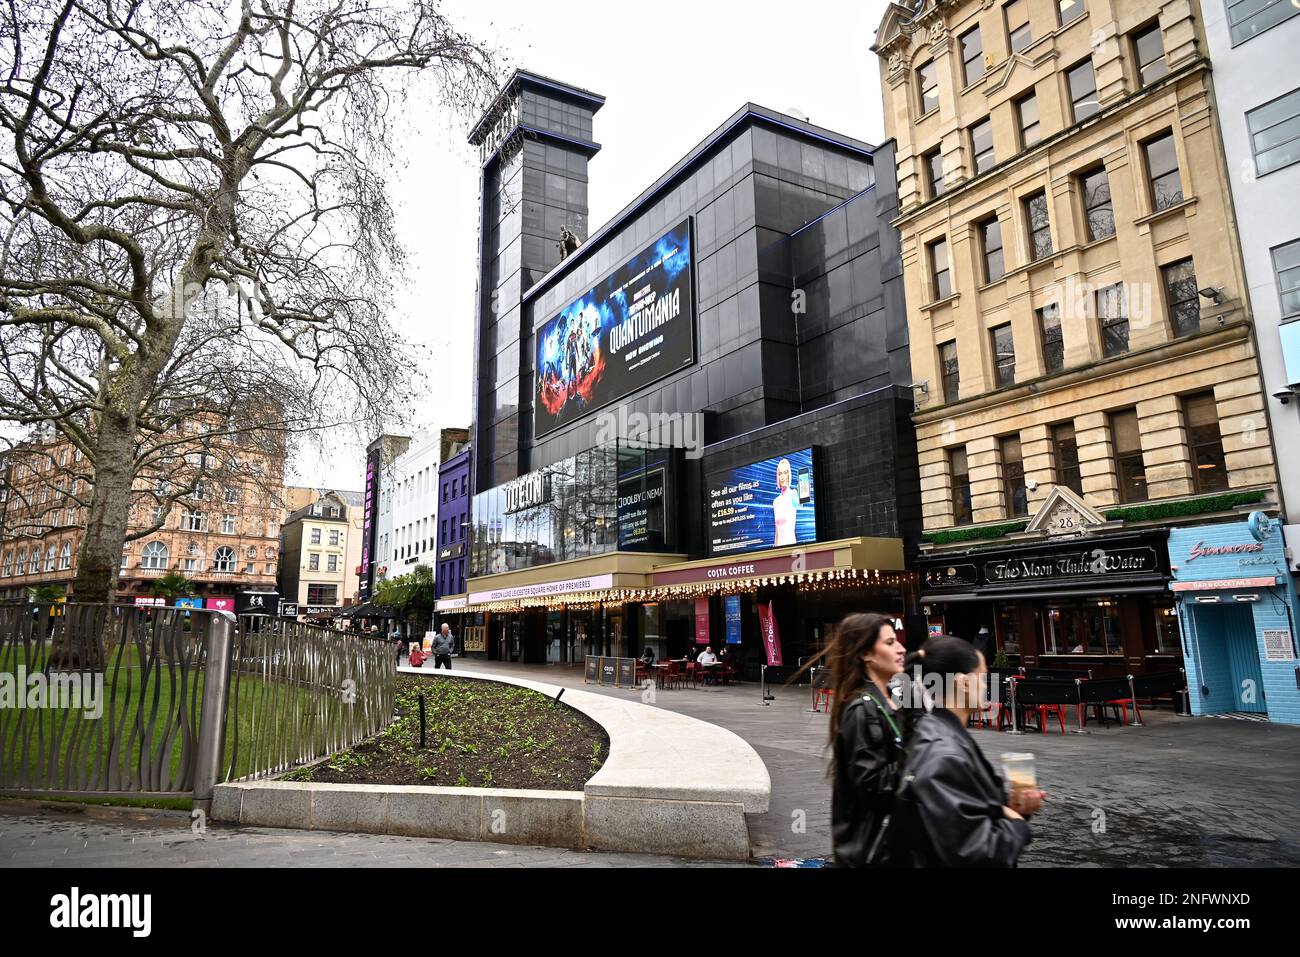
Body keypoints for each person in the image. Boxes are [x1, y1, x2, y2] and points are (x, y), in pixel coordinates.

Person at [889, 635, 1043, 868]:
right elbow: (973, 852)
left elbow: (962, 815)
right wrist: (1017, 825)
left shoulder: (940, 733)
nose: (986, 684)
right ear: (964, 683)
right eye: (982, 677)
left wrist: (1012, 806)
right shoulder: (945, 754)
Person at [771, 457, 800, 546]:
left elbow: (800, 502)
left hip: (791, 546)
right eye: (780, 474)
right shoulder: (776, 502)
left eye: (785, 473)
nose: (782, 477)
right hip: (779, 549)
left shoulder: (794, 494)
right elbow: (777, 530)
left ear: (789, 474)